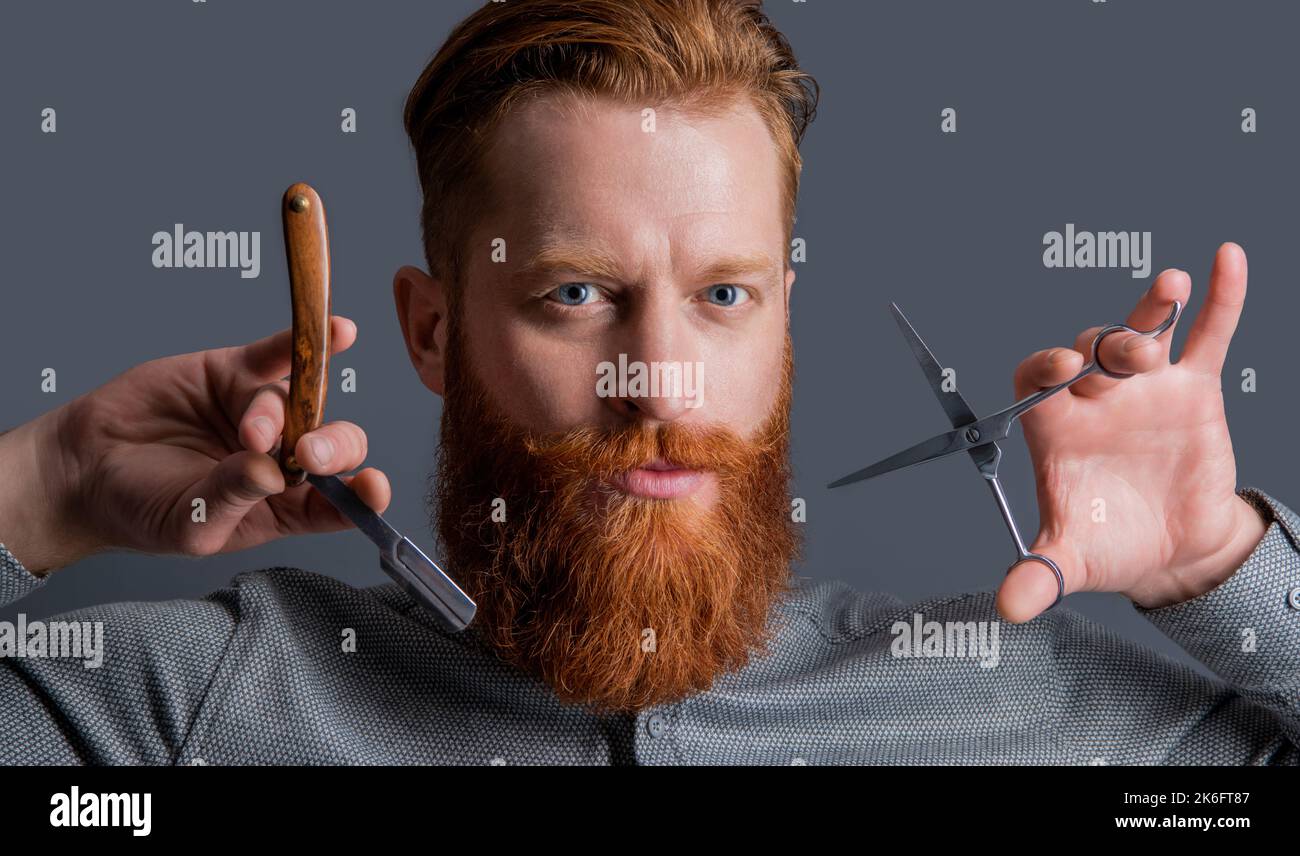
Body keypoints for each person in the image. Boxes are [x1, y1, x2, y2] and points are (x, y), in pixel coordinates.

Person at [1, 0, 1295, 765]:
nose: (655, 377)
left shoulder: (1020, 708)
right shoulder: (196, 707)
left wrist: (1220, 569)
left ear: (786, 326)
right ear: (433, 334)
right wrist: (43, 490)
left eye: (724, 296)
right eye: (576, 293)